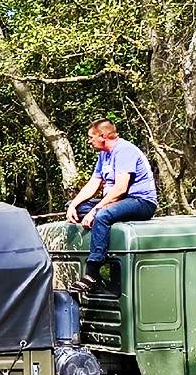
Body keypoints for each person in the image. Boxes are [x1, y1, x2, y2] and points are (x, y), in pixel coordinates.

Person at [66, 119, 158, 292]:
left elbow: (121, 189)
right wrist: (73, 205)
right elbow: (93, 184)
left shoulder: (124, 151)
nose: (89, 141)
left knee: (102, 215)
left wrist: (95, 210)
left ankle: (92, 273)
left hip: (140, 202)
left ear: (103, 136)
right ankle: (96, 236)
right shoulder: (104, 155)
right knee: (76, 209)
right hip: (118, 201)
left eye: (91, 137)